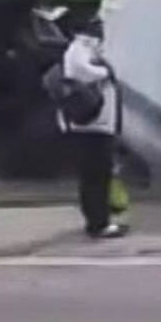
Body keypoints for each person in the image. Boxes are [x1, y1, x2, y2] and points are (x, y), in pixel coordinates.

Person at [55, 19, 125, 239]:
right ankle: (98, 223)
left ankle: (100, 219)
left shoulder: (88, 48)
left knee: (99, 175)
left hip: (98, 124)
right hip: (90, 125)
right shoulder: (80, 48)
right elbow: (81, 71)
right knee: (95, 176)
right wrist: (105, 71)